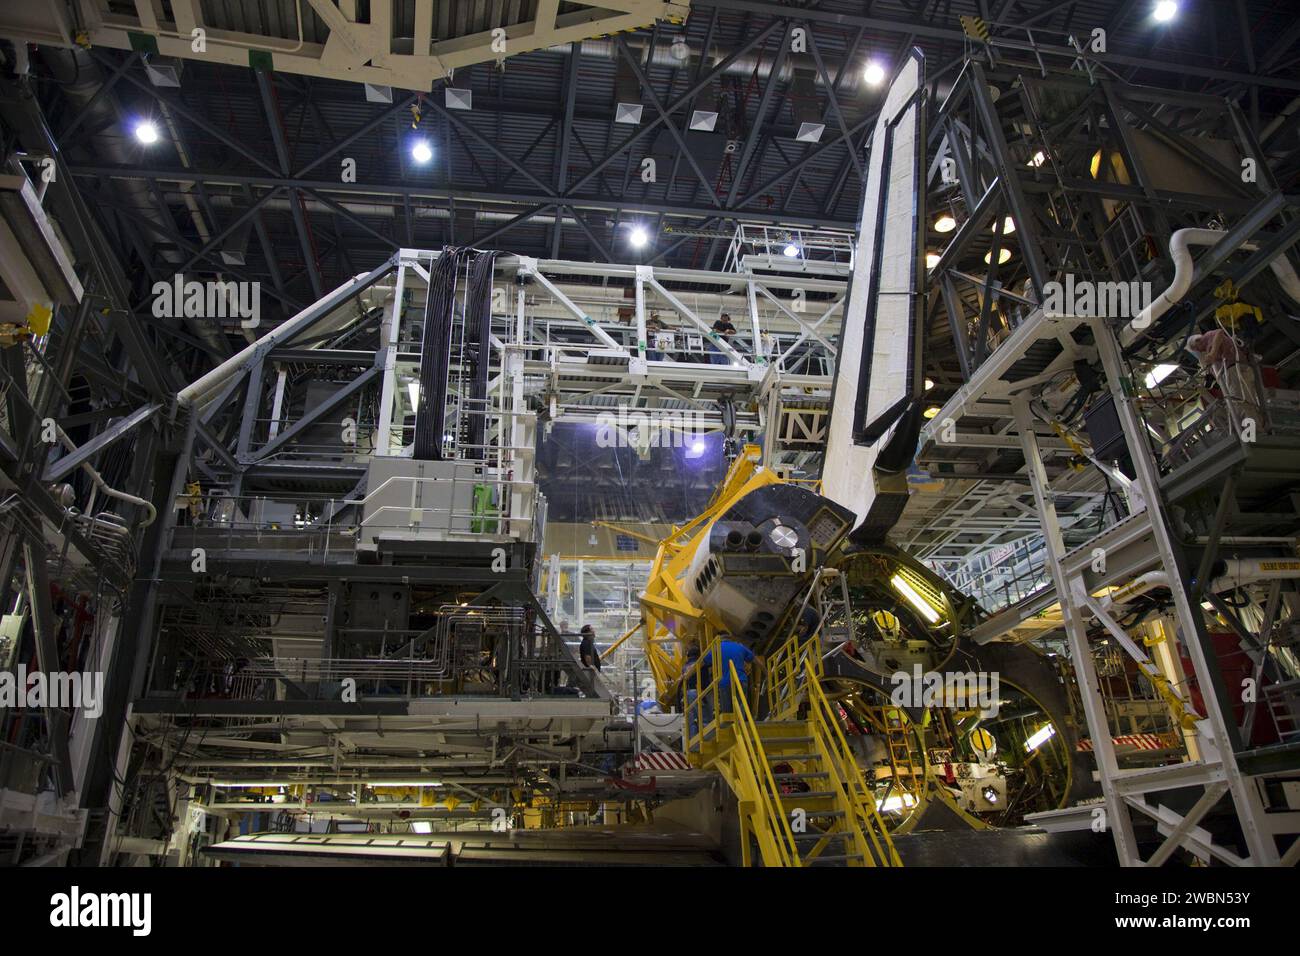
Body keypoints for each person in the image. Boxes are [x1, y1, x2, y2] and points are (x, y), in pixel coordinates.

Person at [698, 635, 757, 716]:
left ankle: (730, 726)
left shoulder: (716, 647)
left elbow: (701, 663)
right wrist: (766, 672)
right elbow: (754, 659)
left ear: (720, 639)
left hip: (725, 682)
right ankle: (741, 725)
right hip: (741, 680)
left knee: (727, 711)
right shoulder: (739, 646)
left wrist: (687, 673)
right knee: (741, 706)